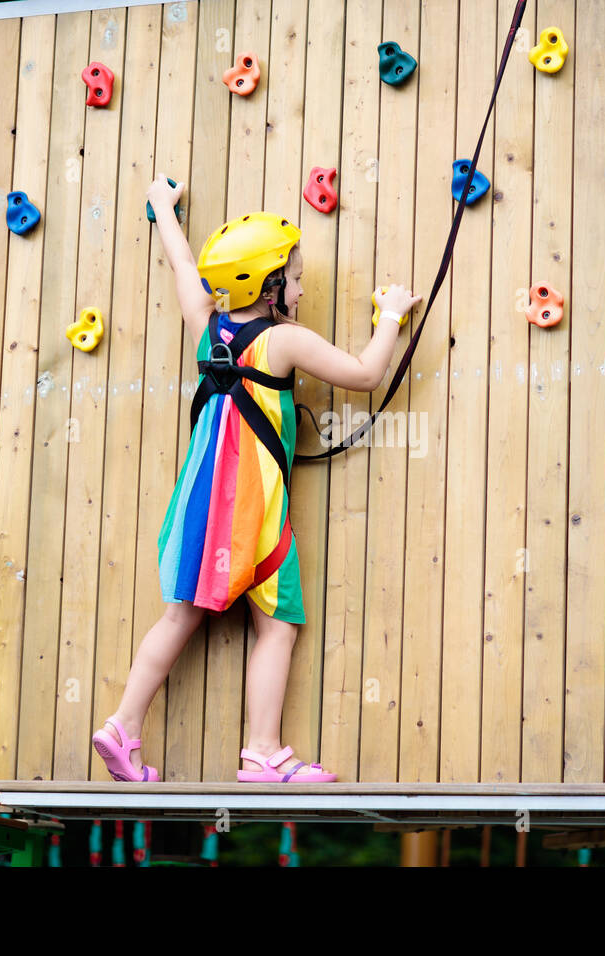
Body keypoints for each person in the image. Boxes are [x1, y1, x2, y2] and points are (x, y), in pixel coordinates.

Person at [92, 176, 421, 783]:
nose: (299, 286)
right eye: (292, 277)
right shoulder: (285, 341)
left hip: (198, 504)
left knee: (178, 617)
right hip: (255, 507)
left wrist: (164, 208)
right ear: (270, 288)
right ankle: (263, 751)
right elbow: (367, 374)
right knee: (278, 623)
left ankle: (121, 724)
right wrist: (391, 318)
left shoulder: (206, 325)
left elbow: (183, 262)